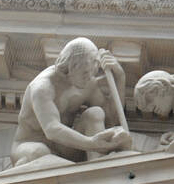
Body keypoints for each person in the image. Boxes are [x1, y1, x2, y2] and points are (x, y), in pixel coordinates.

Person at [10, 37, 132, 168]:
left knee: (95, 113)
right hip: (30, 145)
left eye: (94, 71)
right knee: (40, 152)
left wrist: (120, 78)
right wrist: (91, 143)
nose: (90, 77)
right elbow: (52, 129)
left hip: (66, 148)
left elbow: (111, 120)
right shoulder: (42, 88)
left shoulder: (86, 83)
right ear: (70, 67)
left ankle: (98, 168)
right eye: (85, 73)